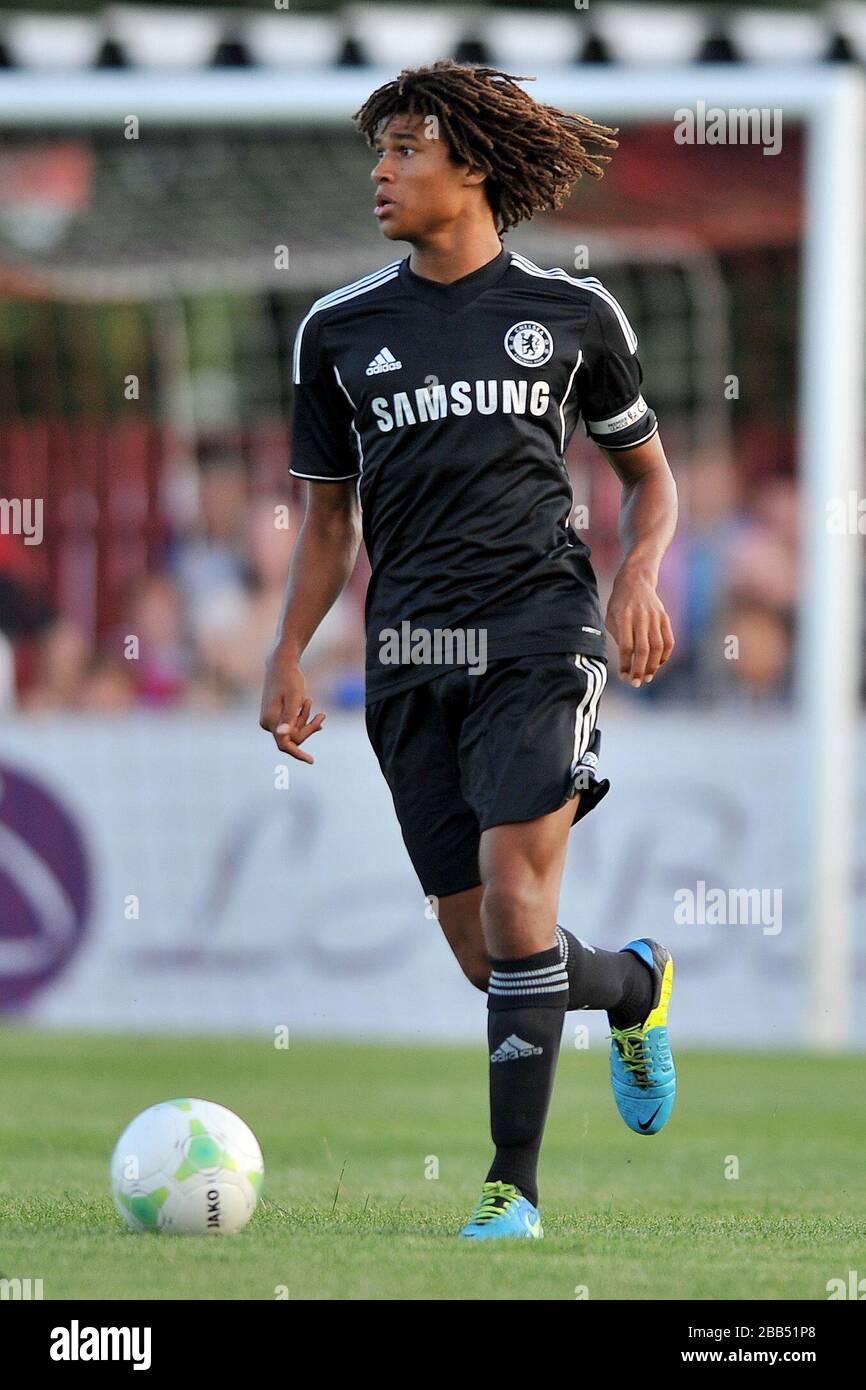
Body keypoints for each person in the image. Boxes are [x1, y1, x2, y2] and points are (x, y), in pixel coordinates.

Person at [261, 61, 679, 1240]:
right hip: (407, 651)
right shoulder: (337, 329)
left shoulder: (572, 315)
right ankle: (633, 986)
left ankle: (512, 1188)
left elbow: (650, 485)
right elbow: (329, 522)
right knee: (486, 950)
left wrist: (638, 571)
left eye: (404, 149)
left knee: (510, 898)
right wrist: (287, 651)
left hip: (542, 630)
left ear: (472, 166)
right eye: (378, 153)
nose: (381, 173)